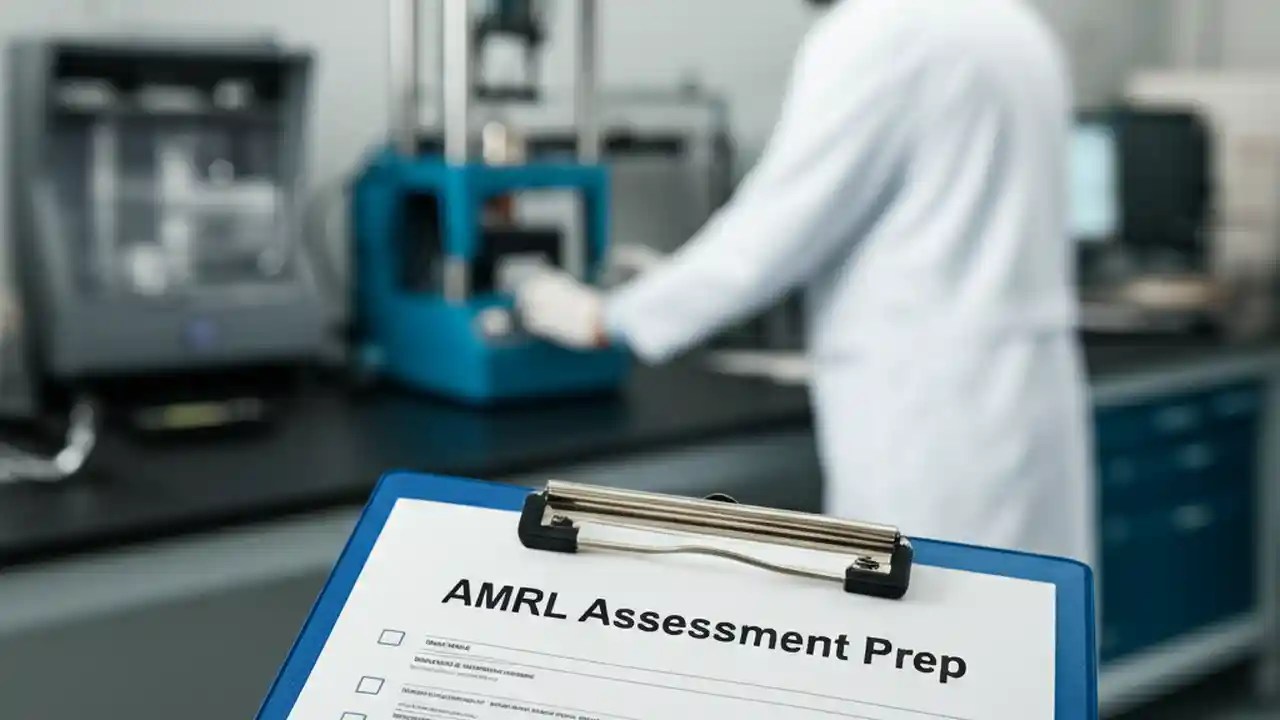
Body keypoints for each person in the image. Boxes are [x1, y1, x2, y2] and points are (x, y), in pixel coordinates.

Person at [516, 0, 1093, 563]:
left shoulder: (879, 32)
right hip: (1030, 400)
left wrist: (609, 317)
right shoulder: (1009, 23)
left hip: (931, 421)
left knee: (923, 639)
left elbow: (772, 234)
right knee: (1031, 636)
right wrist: (670, 283)